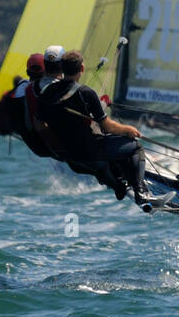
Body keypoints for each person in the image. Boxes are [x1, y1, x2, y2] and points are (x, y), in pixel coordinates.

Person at [37, 50, 155, 208]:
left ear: (62, 69)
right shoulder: (85, 93)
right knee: (135, 148)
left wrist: (58, 146)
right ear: (82, 68)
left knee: (101, 165)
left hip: (71, 156)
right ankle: (141, 191)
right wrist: (128, 129)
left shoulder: (45, 94)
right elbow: (107, 126)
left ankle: (118, 186)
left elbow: (40, 125)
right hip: (92, 151)